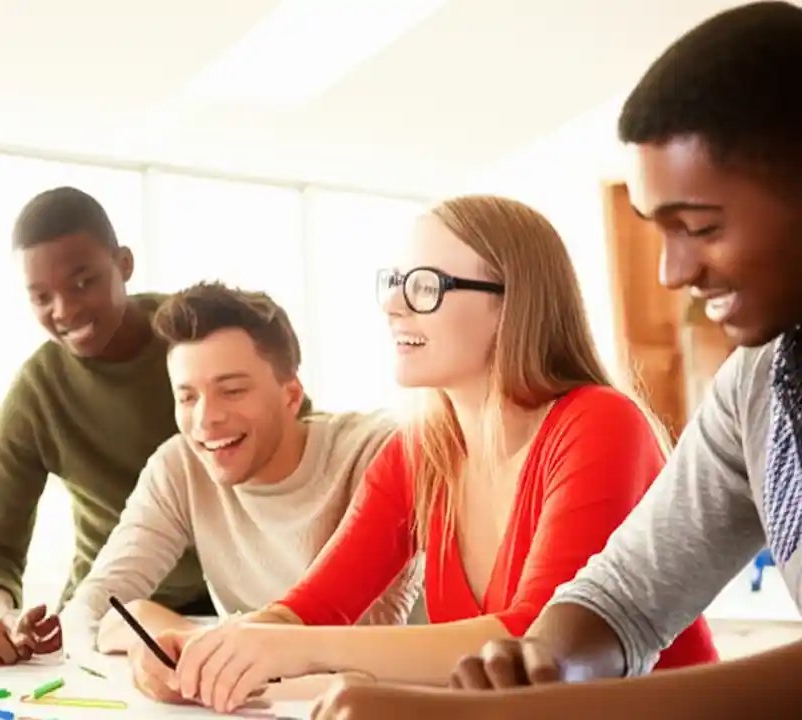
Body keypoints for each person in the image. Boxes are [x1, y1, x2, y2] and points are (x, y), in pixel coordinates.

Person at [319, 4, 802, 719]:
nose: (671, 272)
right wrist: (544, 664)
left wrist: (499, 714)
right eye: (659, 230)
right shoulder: (754, 386)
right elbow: (625, 595)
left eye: (701, 227)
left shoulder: (596, 421)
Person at [137, 194, 719, 715]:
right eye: (394, 282)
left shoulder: (598, 423)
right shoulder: (419, 451)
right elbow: (315, 607)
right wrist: (210, 652)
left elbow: (539, 647)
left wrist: (290, 646)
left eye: (424, 286)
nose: (393, 305)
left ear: (510, 305)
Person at [58, 281, 421, 687]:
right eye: (187, 397)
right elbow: (88, 614)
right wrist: (181, 645)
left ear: (291, 396)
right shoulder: (181, 468)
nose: (206, 419)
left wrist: (201, 646)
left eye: (232, 391)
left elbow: (359, 652)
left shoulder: (375, 454)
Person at [0, 187, 212, 666]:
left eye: (82, 283)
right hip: (104, 616)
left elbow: (293, 440)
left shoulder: (196, 333)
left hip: (226, 604)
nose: (64, 309)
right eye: (41, 297)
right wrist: (0, 614)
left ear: (124, 264)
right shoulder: (37, 393)